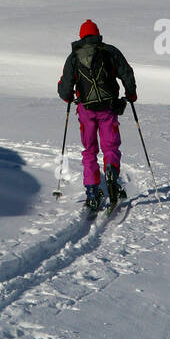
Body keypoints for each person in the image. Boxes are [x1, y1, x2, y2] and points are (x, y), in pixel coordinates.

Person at [58, 20, 137, 211]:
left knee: (89, 150)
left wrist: (68, 97)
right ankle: (111, 172)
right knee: (110, 146)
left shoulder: (74, 57)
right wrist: (130, 93)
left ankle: (92, 190)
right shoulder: (110, 51)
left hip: (86, 110)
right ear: (97, 34)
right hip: (108, 107)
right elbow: (126, 72)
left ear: (81, 35)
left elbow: (64, 87)